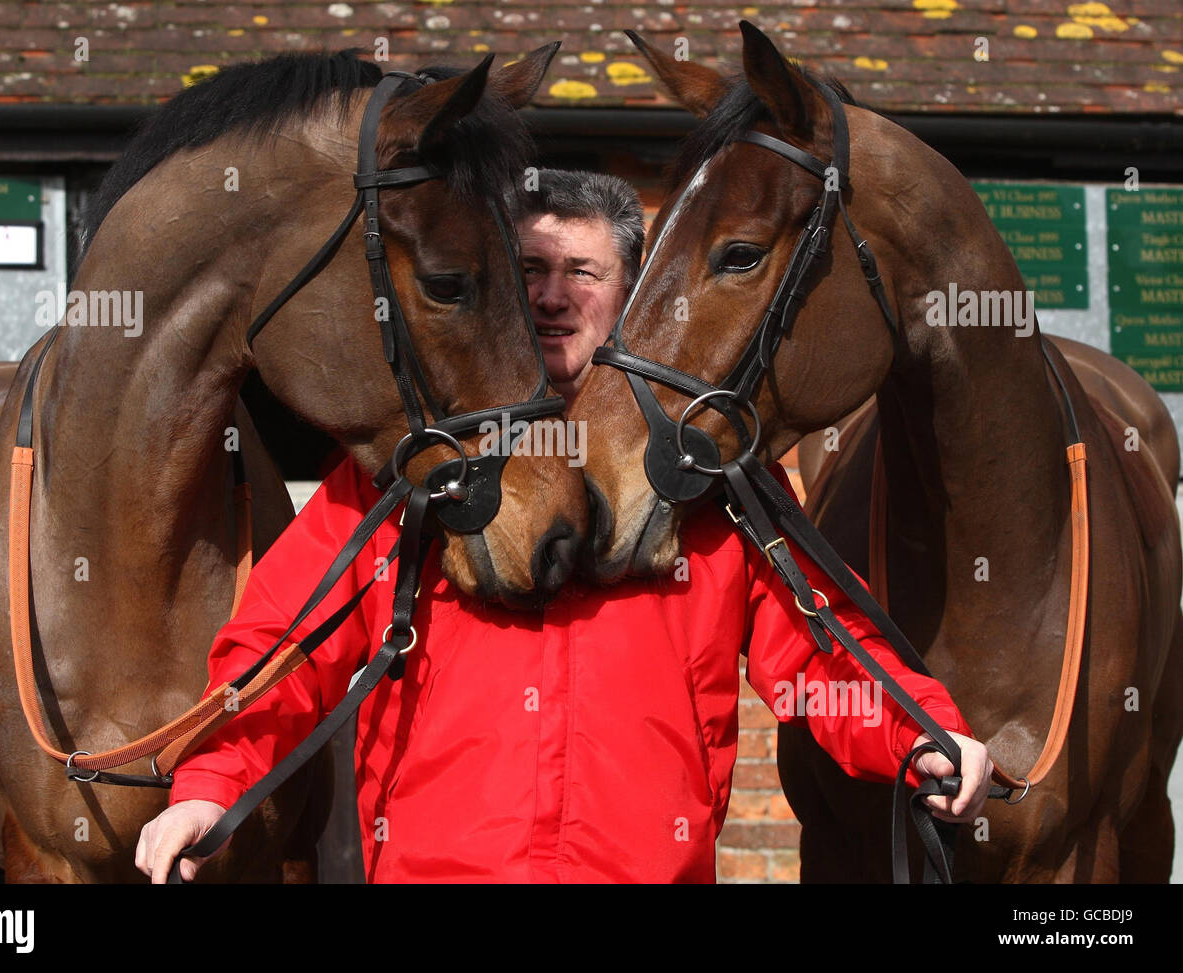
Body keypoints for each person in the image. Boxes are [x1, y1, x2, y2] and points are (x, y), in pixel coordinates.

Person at [136, 169, 992, 883]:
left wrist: (916, 730)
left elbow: (814, 646)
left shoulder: (712, 475)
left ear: (633, 296)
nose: (550, 295)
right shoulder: (419, 461)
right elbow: (290, 638)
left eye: (582, 272)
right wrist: (212, 781)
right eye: (528, 271)